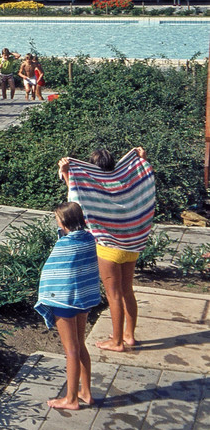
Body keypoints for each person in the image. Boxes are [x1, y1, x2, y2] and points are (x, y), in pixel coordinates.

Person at [59, 147, 156, 353]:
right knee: (127, 291)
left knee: (113, 296)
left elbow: (76, 202)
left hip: (108, 248)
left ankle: (117, 342)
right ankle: (128, 335)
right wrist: (142, 160)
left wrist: (68, 172)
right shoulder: (125, 183)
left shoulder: (94, 188)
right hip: (131, 245)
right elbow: (145, 178)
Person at [34, 201, 100, 410]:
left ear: (64, 222)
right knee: (80, 345)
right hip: (83, 299)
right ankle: (86, 393)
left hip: (63, 300)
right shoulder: (89, 239)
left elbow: (53, 271)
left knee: (70, 350)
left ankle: (71, 399)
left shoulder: (64, 245)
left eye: (57, 219)